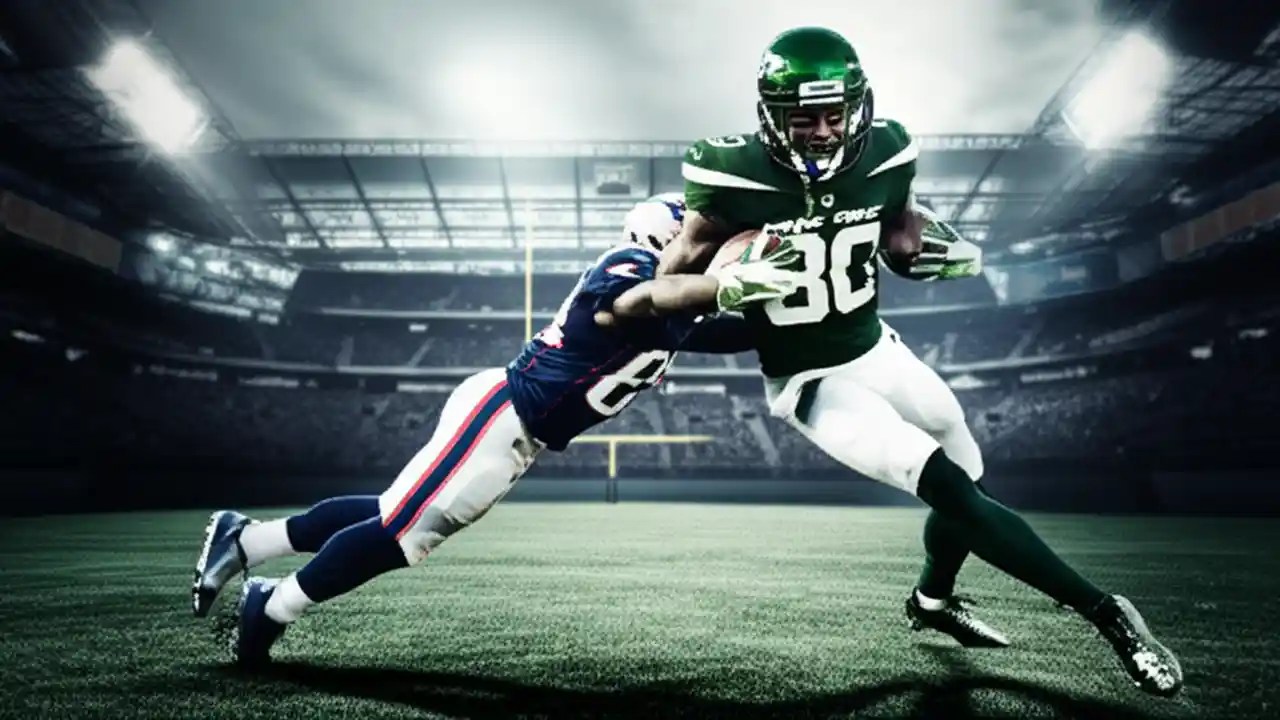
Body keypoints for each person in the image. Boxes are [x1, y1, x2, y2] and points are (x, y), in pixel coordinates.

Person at [655, 26, 1182, 696]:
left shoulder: (887, 151)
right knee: (950, 488)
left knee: (970, 473)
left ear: (857, 105)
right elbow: (675, 274)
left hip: (879, 349)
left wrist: (937, 254)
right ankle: (1111, 616)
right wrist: (669, 324)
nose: (821, 131)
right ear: (769, 114)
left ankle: (932, 604)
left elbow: (900, 239)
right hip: (809, 379)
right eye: (803, 117)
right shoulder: (728, 170)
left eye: (833, 113)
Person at [191, 193, 800, 667]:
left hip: (520, 427)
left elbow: (725, 331)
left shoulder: (677, 299)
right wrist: (731, 282)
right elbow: (640, 304)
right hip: (505, 409)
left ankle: (246, 541)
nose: (707, 249)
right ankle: (270, 607)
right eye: (697, 239)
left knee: (393, 511)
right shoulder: (630, 264)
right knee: (405, 532)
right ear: (667, 235)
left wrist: (795, 308)